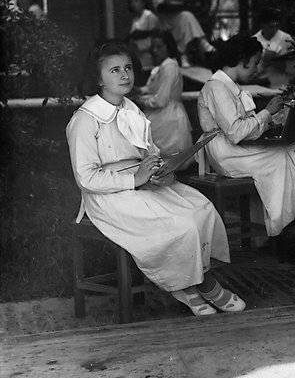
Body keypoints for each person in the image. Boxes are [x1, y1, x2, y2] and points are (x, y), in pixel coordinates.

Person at [66, 41, 245, 317]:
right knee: (180, 225)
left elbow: (151, 152)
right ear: (98, 79)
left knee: (201, 209)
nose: (125, 75)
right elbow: (86, 178)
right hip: (109, 196)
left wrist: (161, 171)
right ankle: (192, 286)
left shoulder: (132, 111)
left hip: (143, 184)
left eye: (128, 68)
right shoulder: (86, 119)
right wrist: (134, 180)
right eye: (115, 70)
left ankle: (196, 279)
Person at [197, 35, 295, 237]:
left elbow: (245, 128)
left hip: (238, 147)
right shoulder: (216, 87)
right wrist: (267, 112)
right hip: (226, 153)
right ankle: (288, 226)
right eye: (255, 62)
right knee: (284, 158)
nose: (256, 69)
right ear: (243, 60)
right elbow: (235, 132)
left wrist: (278, 118)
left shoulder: (231, 86)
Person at [136, 30, 192, 159]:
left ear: (168, 47)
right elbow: (152, 88)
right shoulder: (162, 67)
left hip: (168, 117)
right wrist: (138, 91)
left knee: (167, 156)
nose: (155, 51)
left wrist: (140, 100)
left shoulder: (169, 67)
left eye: (159, 47)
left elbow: (161, 100)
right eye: (153, 47)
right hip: (164, 116)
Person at [252, 8, 295, 86]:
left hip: (284, 85)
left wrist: (282, 65)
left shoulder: (286, 39)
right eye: (271, 27)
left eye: (276, 26)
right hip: (262, 86)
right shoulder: (254, 41)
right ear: (262, 24)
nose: (274, 30)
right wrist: (264, 61)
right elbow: (250, 73)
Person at [127, 0, 160, 72]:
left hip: (147, 54)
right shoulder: (135, 19)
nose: (133, 4)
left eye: (136, 1)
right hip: (137, 53)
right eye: (131, 1)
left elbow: (154, 35)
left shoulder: (150, 17)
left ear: (143, 3)